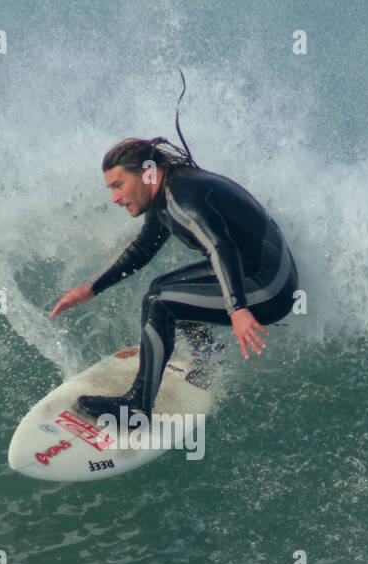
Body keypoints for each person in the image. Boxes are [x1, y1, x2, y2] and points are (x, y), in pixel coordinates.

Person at [49, 136, 299, 419]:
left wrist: (237, 308)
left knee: (160, 302)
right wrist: (92, 287)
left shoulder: (181, 199)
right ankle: (207, 356)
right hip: (254, 270)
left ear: (146, 174)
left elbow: (220, 246)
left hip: (270, 287)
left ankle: (136, 407)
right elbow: (143, 247)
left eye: (119, 185)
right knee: (163, 289)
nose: (115, 198)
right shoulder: (167, 192)